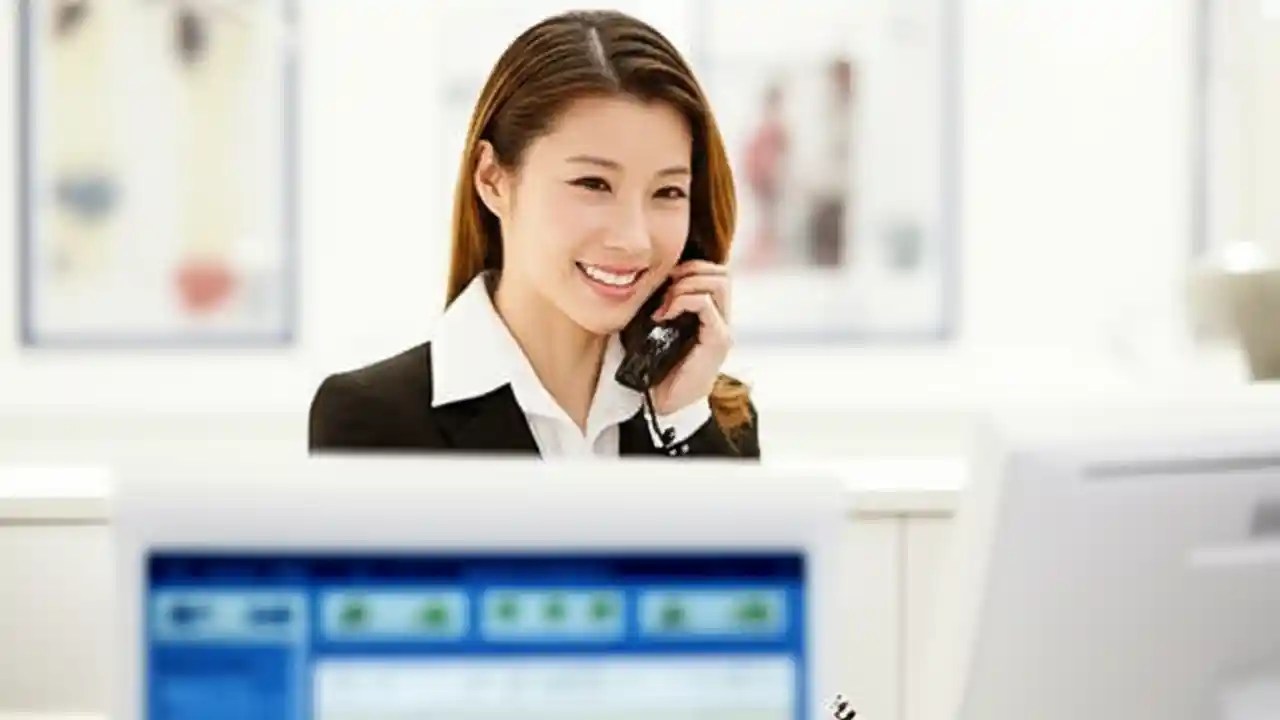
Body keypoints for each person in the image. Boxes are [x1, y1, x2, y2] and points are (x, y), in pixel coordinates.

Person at [308, 10, 759, 458]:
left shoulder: (706, 415)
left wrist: (681, 424)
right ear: (492, 178)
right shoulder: (373, 419)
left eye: (667, 191)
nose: (635, 239)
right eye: (593, 184)